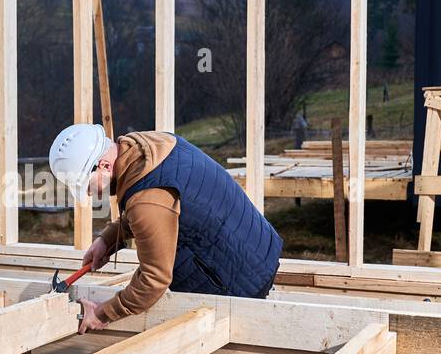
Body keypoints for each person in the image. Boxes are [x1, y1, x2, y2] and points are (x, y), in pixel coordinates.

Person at [48, 124, 283, 333]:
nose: (91, 194)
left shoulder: (147, 200)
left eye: (87, 186)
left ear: (104, 165)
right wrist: (107, 240)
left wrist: (101, 313)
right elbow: (157, 207)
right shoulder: (151, 146)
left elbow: (154, 281)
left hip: (238, 283)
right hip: (258, 246)